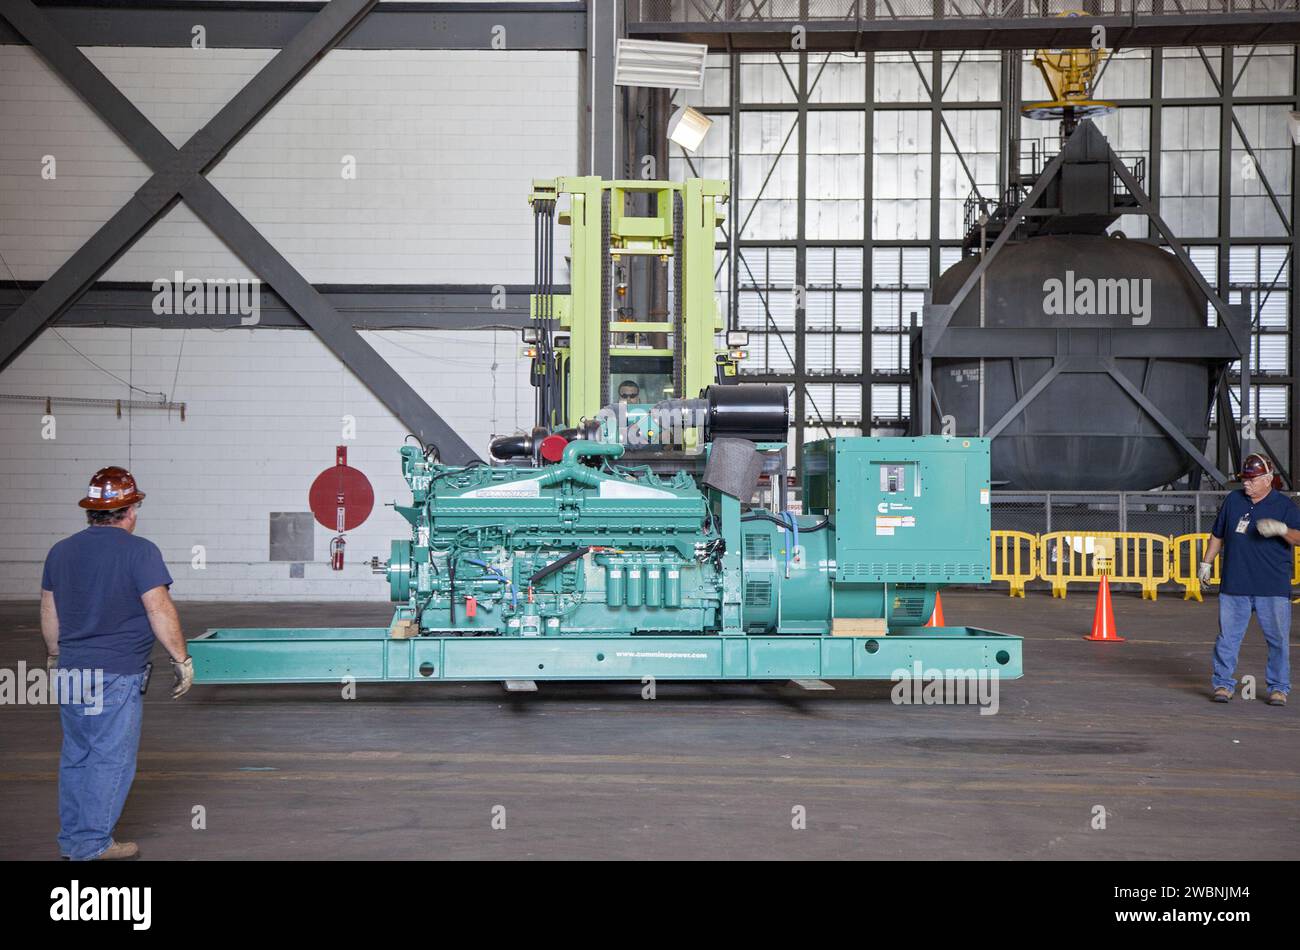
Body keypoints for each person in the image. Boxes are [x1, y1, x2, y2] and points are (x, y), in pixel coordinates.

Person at [41, 466, 194, 861]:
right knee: (110, 759)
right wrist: (182, 659)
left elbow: (49, 610)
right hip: (115, 674)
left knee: (77, 756)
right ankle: (92, 846)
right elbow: (158, 608)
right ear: (131, 510)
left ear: (91, 511)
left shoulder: (61, 551)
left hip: (72, 671)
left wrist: (56, 655)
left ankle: (73, 840)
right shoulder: (140, 551)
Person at [1198, 453, 1296, 706]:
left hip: (1271, 586)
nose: (1247, 484)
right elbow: (1217, 534)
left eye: (1252, 480)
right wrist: (1206, 563)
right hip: (1235, 585)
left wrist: (1283, 530)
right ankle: (1222, 684)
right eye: (1245, 479)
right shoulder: (1233, 501)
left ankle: (1278, 688)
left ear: (1268, 479)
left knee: (1278, 641)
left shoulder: (1284, 506)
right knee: (1227, 638)